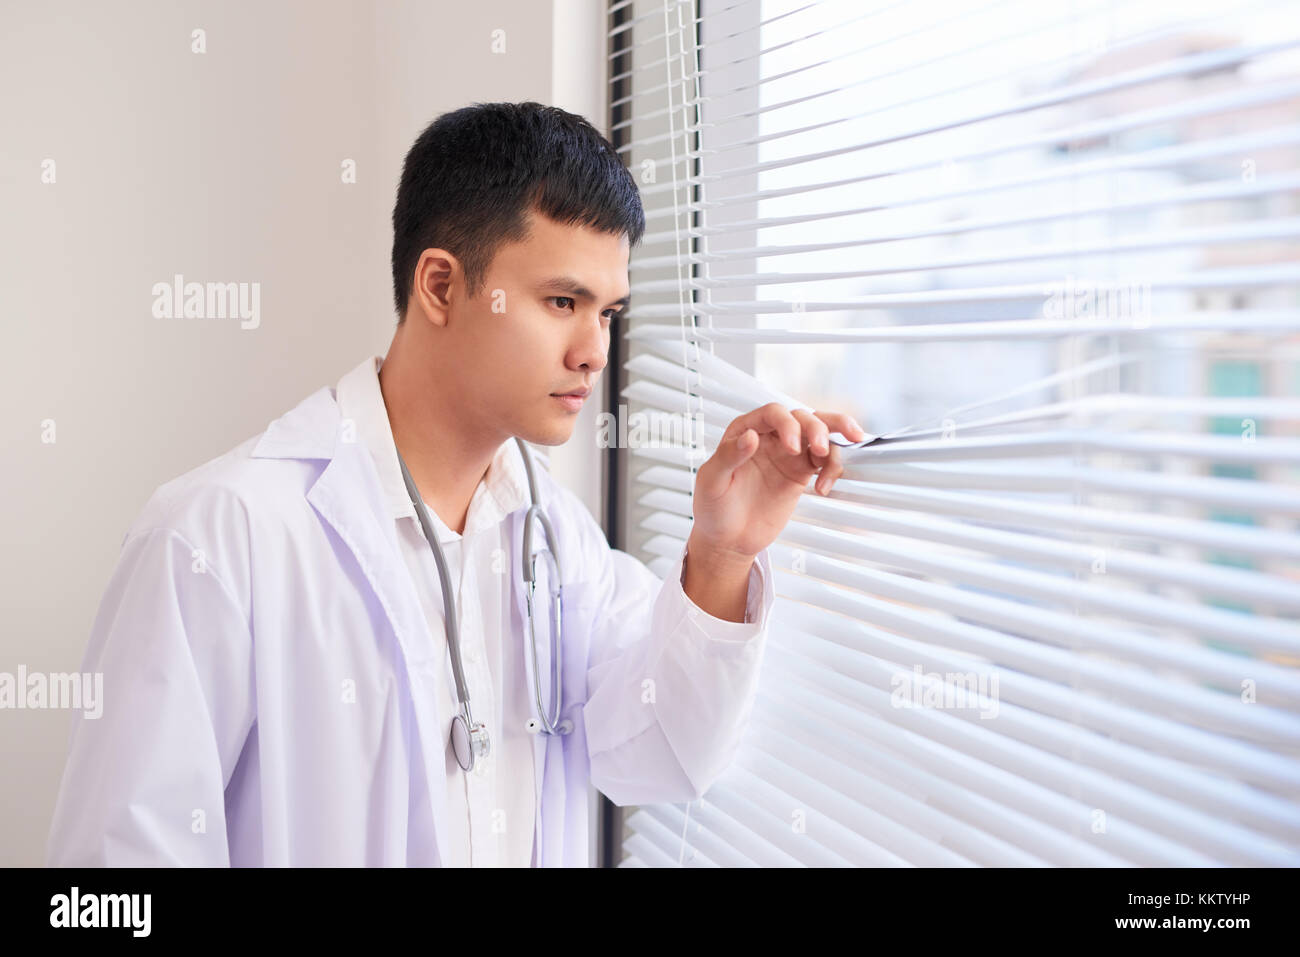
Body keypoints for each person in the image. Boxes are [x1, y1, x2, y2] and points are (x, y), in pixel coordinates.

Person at [45, 101, 865, 867]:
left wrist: (722, 552)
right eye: (562, 300)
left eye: (608, 312)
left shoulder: (557, 536)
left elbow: (657, 756)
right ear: (440, 285)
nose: (594, 351)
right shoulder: (216, 537)